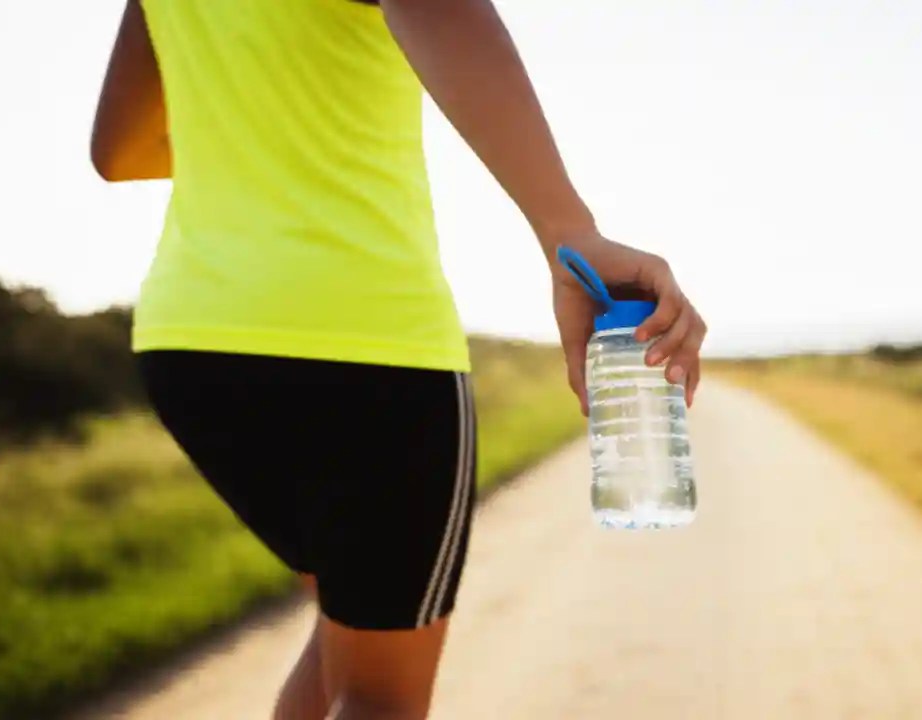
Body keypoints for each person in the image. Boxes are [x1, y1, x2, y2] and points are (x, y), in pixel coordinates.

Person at [92, 0, 706, 717]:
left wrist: (251, 131)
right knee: (379, 696)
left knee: (346, 646)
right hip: (362, 343)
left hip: (190, 343)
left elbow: (119, 152)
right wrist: (567, 228)